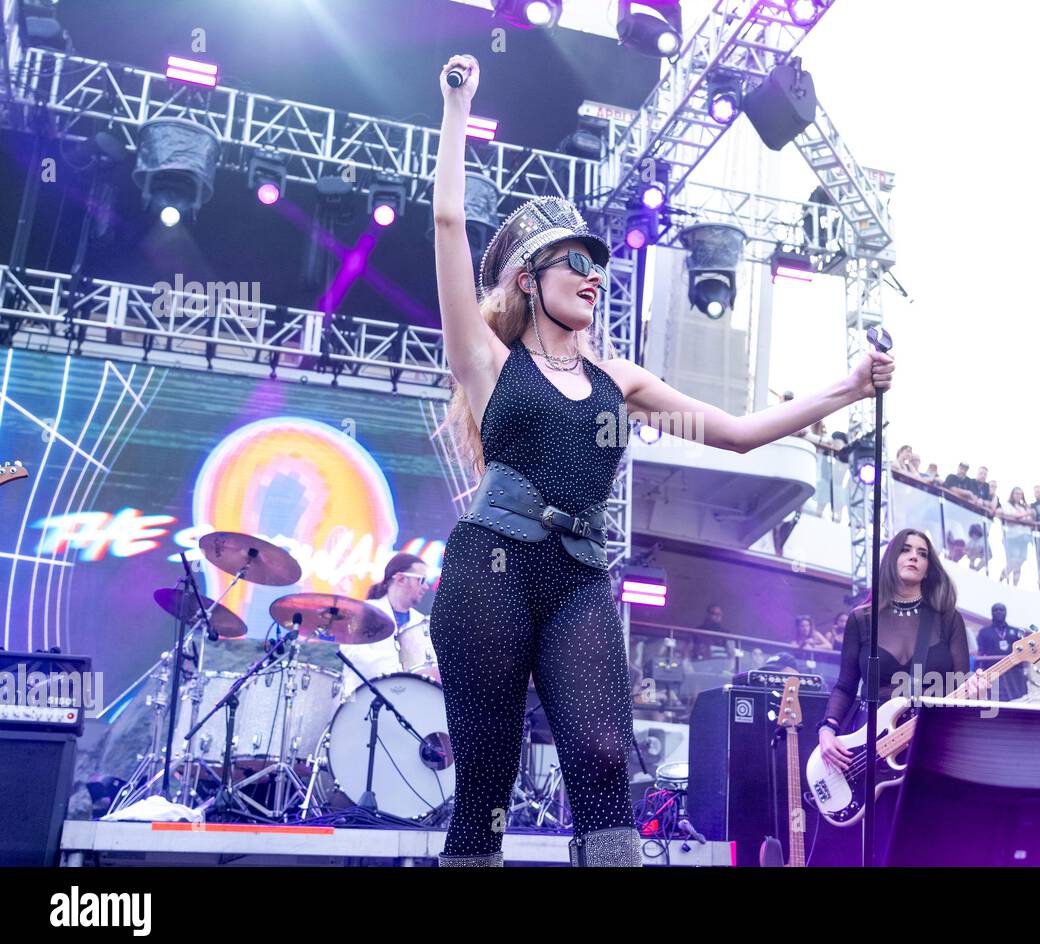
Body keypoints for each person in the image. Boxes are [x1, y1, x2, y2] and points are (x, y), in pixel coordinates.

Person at [427, 53, 894, 868]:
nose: (595, 278)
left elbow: (744, 432)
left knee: (606, 760)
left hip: (575, 575)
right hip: (491, 567)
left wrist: (848, 390)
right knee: (488, 782)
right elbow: (446, 227)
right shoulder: (489, 365)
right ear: (531, 280)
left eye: (601, 267)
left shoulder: (623, 383)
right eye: (577, 262)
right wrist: (459, 105)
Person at [817, 529, 986, 864]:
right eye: (906, 550)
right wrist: (826, 730)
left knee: (923, 842)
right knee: (869, 844)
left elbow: (959, 687)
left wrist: (975, 693)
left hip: (927, 741)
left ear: (929, 567)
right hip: (869, 741)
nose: (914, 557)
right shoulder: (861, 620)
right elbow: (845, 685)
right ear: (891, 558)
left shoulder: (948, 619)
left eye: (922, 554)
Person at [340, 553, 438, 697]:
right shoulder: (365, 610)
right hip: (362, 698)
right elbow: (353, 655)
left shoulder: (421, 622)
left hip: (407, 702)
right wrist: (402, 673)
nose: (425, 587)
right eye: (421, 580)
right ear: (400, 578)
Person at [975, 603, 1027, 700]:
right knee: (997, 700)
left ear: (1005, 612)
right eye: (995, 610)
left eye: (1001, 609)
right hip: (993, 671)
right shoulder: (984, 632)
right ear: (992, 613)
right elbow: (980, 653)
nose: (998, 612)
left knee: (1018, 699)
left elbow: (1022, 651)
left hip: (1013, 671)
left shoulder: (1015, 631)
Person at [998, 486, 1034, 586]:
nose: (1018, 495)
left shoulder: (1023, 507)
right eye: (1016, 493)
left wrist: (1023, 516)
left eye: (1020, 494)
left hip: (1024, 537)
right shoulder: (1006, 505)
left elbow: (1029, 520)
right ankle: (1002, 577)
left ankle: (1015, 586)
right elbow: (1012, 517)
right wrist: (1024, 515)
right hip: (1012, 537)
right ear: (1012, 494)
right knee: (1014, 560)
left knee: (1020, 561)